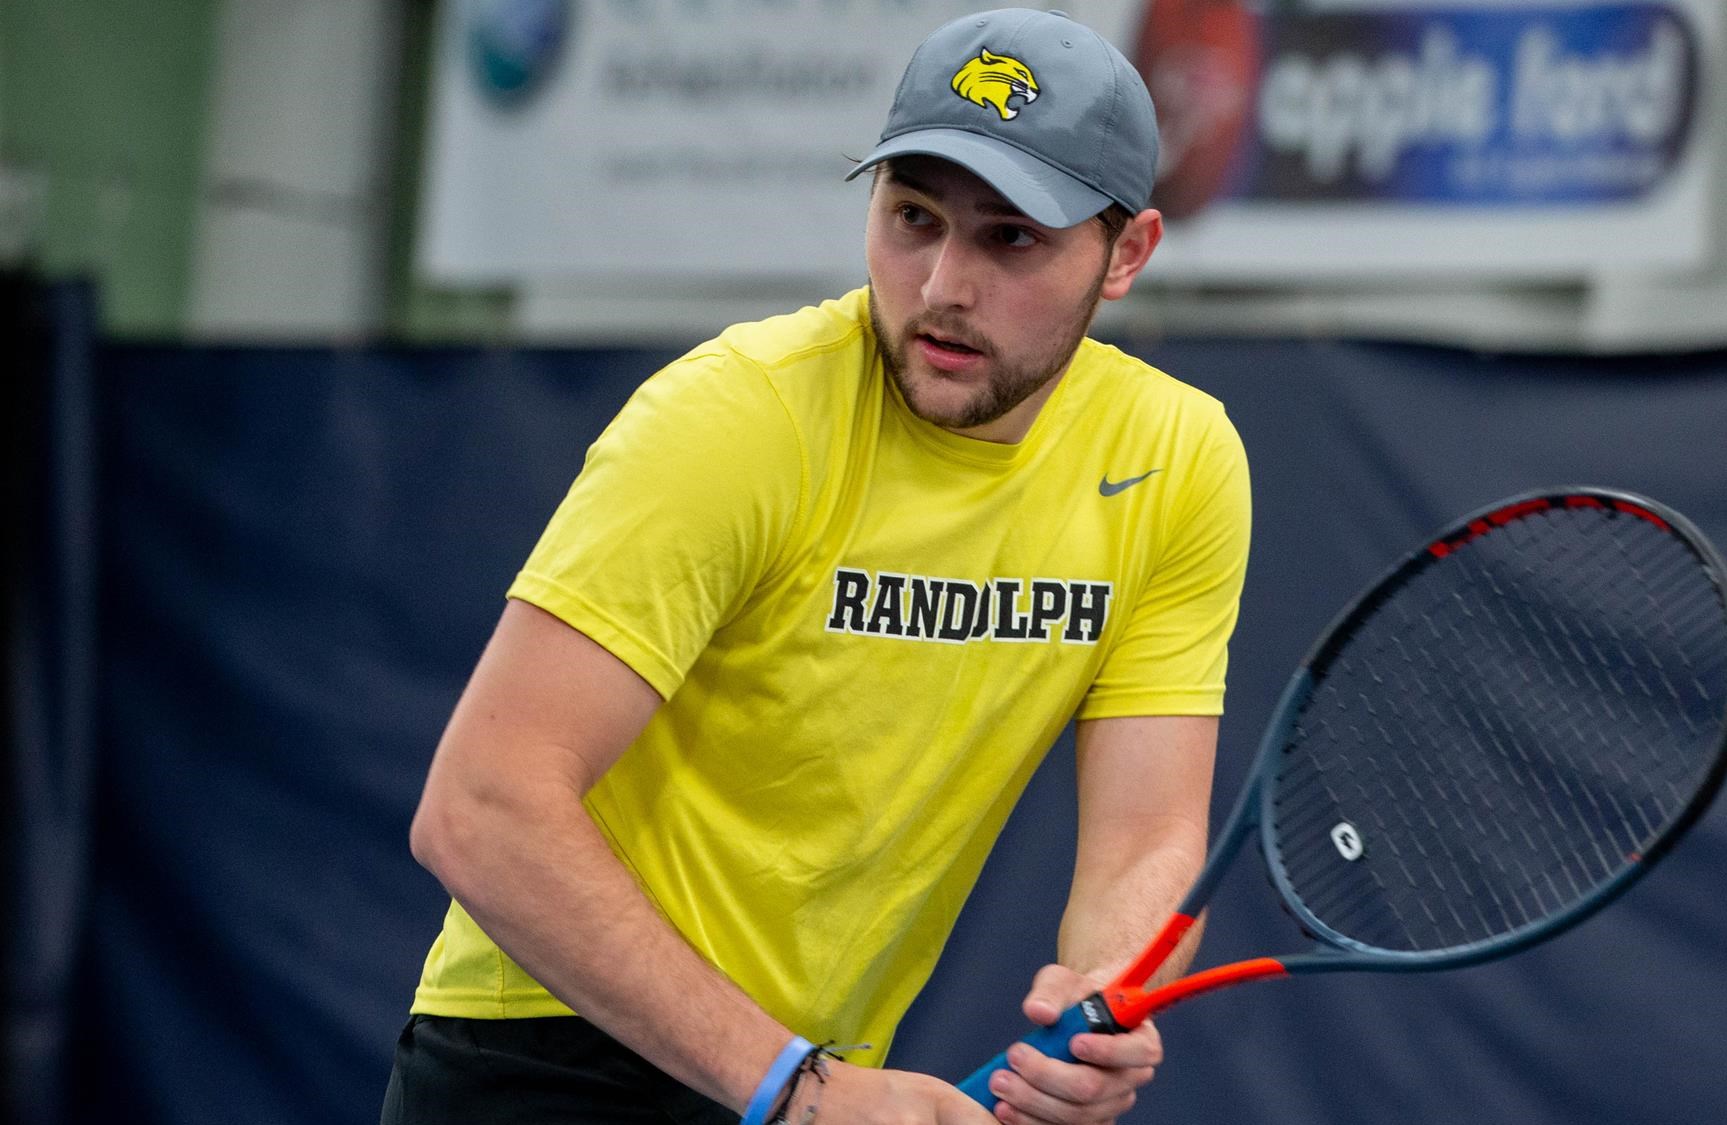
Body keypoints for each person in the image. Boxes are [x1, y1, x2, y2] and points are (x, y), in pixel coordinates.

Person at [381, 8, 1251, 1124]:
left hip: (807, 1072)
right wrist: (791, 1085)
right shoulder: (736, 415)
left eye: (1011, 238)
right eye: (911, 218)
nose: (942, 282)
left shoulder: (1174, 460)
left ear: (1124, 254)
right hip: (549, 1054)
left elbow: (1147, 836)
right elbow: (480, 807)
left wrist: (1110, 992)